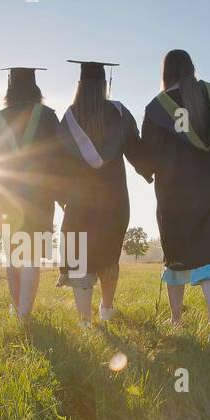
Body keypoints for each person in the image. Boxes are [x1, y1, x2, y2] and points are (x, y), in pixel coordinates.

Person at [135, 49, 210, 339]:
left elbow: (148, 157)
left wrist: (141, 163)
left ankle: (176, 323)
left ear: (166, 73)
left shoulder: (157, 108)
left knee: (176, 255)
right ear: (191, 68)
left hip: (175, 193)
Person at [54, 60, 143, 325]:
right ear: (105, 85)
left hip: (80, 202)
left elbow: (58, 166)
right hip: (115, 200)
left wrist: (64, 200)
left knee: (80, 258)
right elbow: (138, 151)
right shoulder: (119, 113)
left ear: (79, 86)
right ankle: (106, 309)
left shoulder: (69, 118)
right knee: (108, 256)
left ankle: (84, 321)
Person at [0, 67, 61, 320]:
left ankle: (17, 307)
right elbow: (60, 156)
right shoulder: (48, 117)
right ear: (36, 89)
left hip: (8, 197)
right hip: (40, 196)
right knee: (32, 256)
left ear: (10, 90)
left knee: (13, 254)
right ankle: (24, 313)